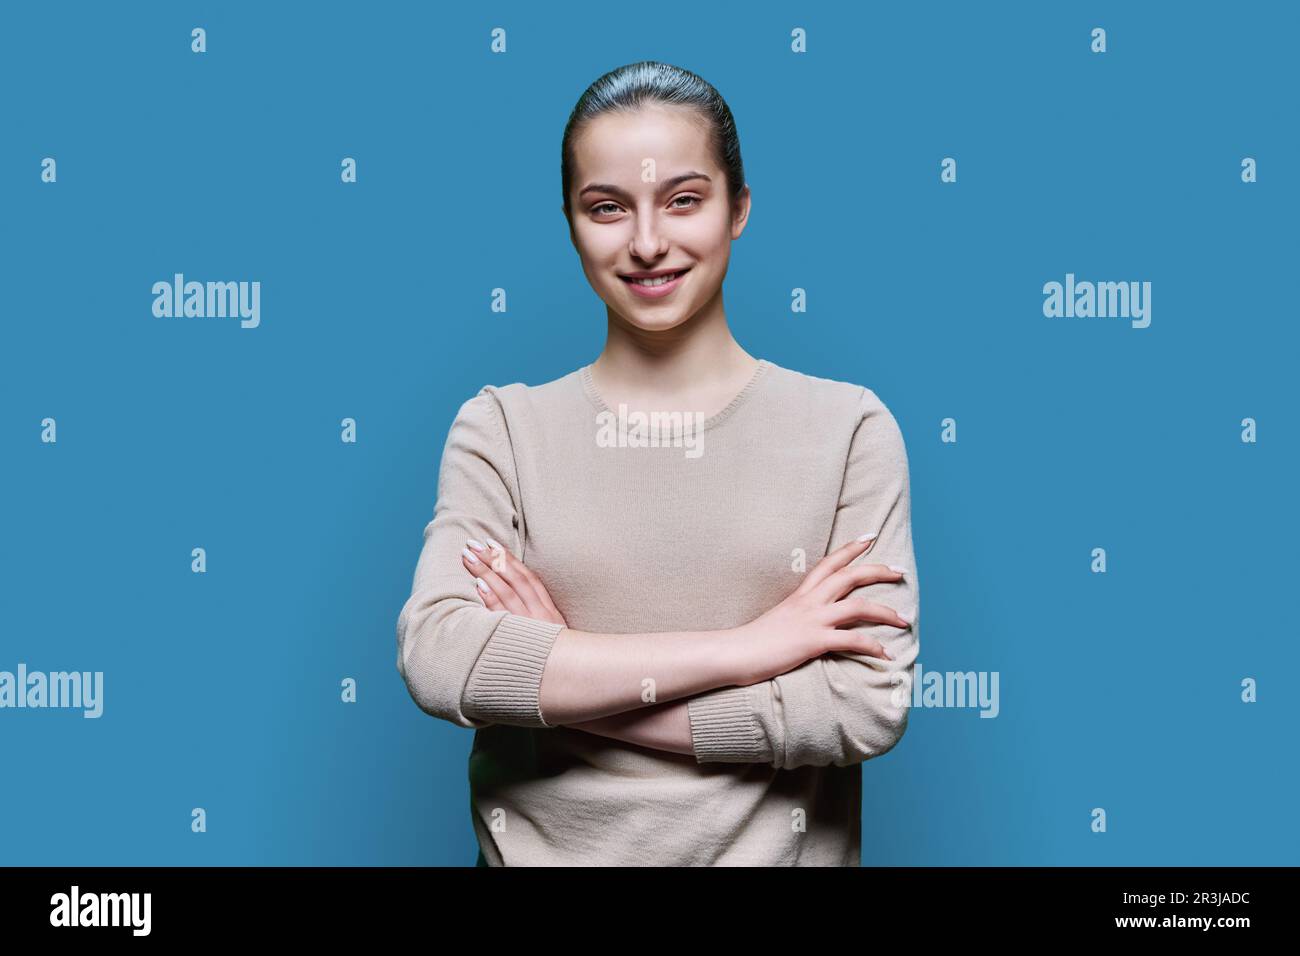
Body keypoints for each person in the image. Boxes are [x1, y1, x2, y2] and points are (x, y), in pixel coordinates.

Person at [396, 60, 919, 866]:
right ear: (570, 221)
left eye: (683, 199)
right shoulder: (501, 429)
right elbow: (439, 657)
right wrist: (748, 648)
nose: (646, 243)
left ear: (738, 207)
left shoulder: (847, 429)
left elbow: (862, 707)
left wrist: (563, 680)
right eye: (606, 208)